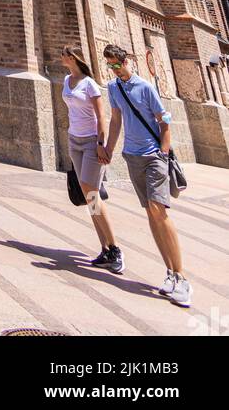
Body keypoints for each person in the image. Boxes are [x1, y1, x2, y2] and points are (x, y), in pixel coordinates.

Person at [101, 43, 190, 307]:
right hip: (132, 156)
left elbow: (164, 122)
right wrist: (109, 149)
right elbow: (116, 120)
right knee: (151, 214)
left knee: (158, 209)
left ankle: (181, 277)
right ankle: (169, 272)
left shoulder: (145, 87)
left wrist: (163, 154)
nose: (115, 70)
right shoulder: (114, 88)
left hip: (154, 157)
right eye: (110, 66)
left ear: (127, 61)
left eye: (117, 64)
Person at [60, 45, 123, 273]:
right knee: (89, 195)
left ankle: (115, 248)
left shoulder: (90, 84)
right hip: (74, 140)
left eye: (64, 54)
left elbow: (101, 116)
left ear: (73, 57)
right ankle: (104, 247)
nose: (61, 57)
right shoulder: (67, 81)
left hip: (91, 143)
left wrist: (101, 144)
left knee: (91, 191)